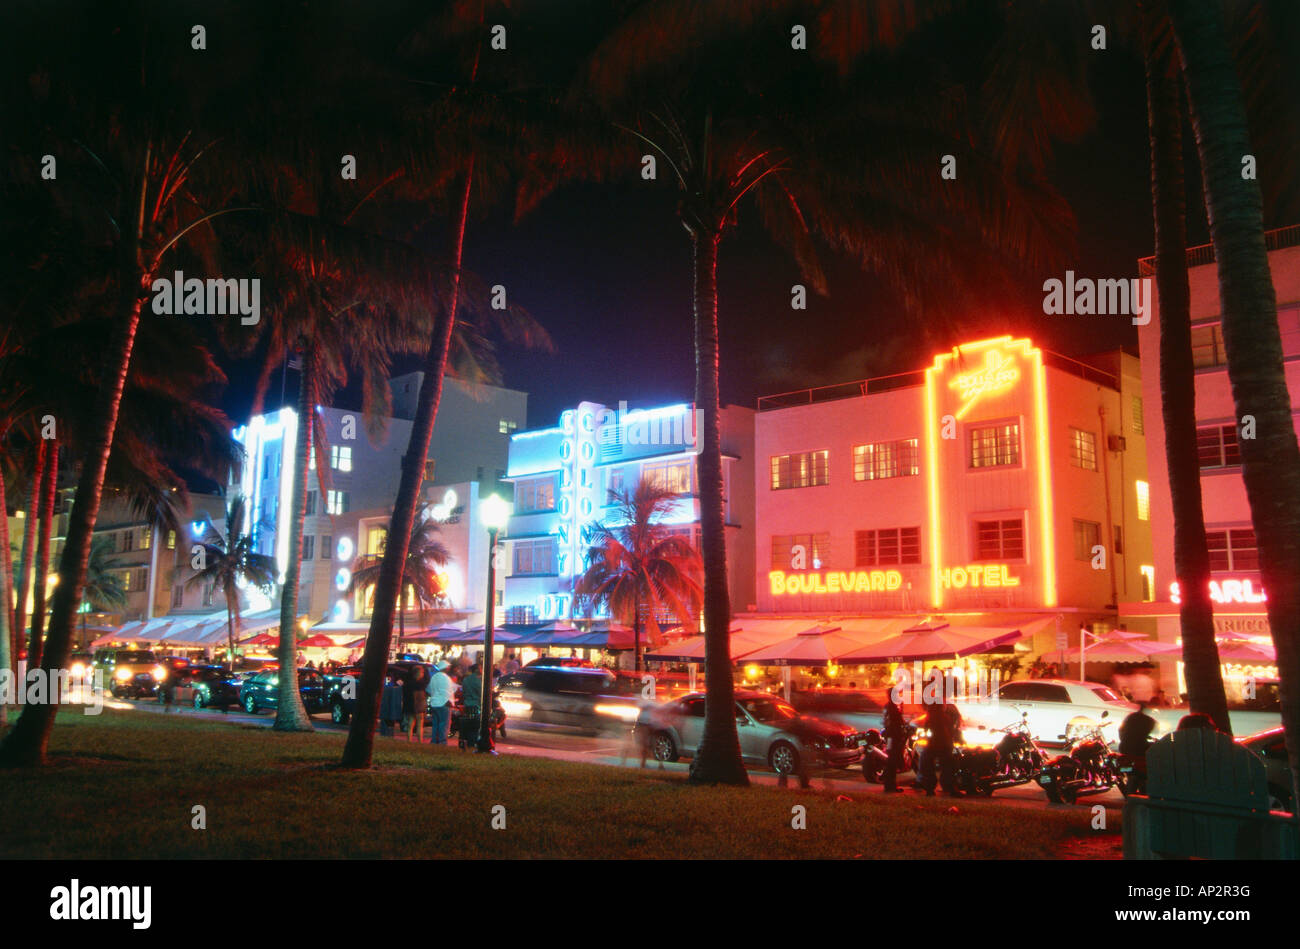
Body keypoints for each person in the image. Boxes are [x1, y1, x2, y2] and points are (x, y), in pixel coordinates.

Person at [879, 694, 907, 793]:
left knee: (891, 761)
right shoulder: (892, 708)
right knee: (892, 761)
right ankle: (889, 785)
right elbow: (895, 723)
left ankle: (890, 785)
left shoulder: (890, 706)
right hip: (893, 737)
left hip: (891, 736)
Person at [428, 660, 454, 745]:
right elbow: (446, 691)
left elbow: (429, 689)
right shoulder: (445, 678)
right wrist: (448, 701)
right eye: (448, 667)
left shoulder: (434, 677)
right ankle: (442, 742)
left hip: (434, 703)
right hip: (443, 703)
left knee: (436, 724)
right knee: (444, 725)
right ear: (445, 668)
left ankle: (434, 741)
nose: (449, 668)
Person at [405, 665, 428, 743]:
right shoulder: (421, 684)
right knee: (419, 724)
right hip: (418, 705)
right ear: (418, 673)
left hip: (410, 705)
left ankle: (409, 740)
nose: (423, 674)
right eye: (422, 672)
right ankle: (420, 741)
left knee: (410, 724)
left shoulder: (409, 683)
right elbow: (421, 696)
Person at [380, 673, 404, 737]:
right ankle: (388, 733)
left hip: (386, 704)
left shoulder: (386, 683)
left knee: (385, 719)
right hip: (392, 703)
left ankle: (385, 733)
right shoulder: (395, 684)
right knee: (389, 719)